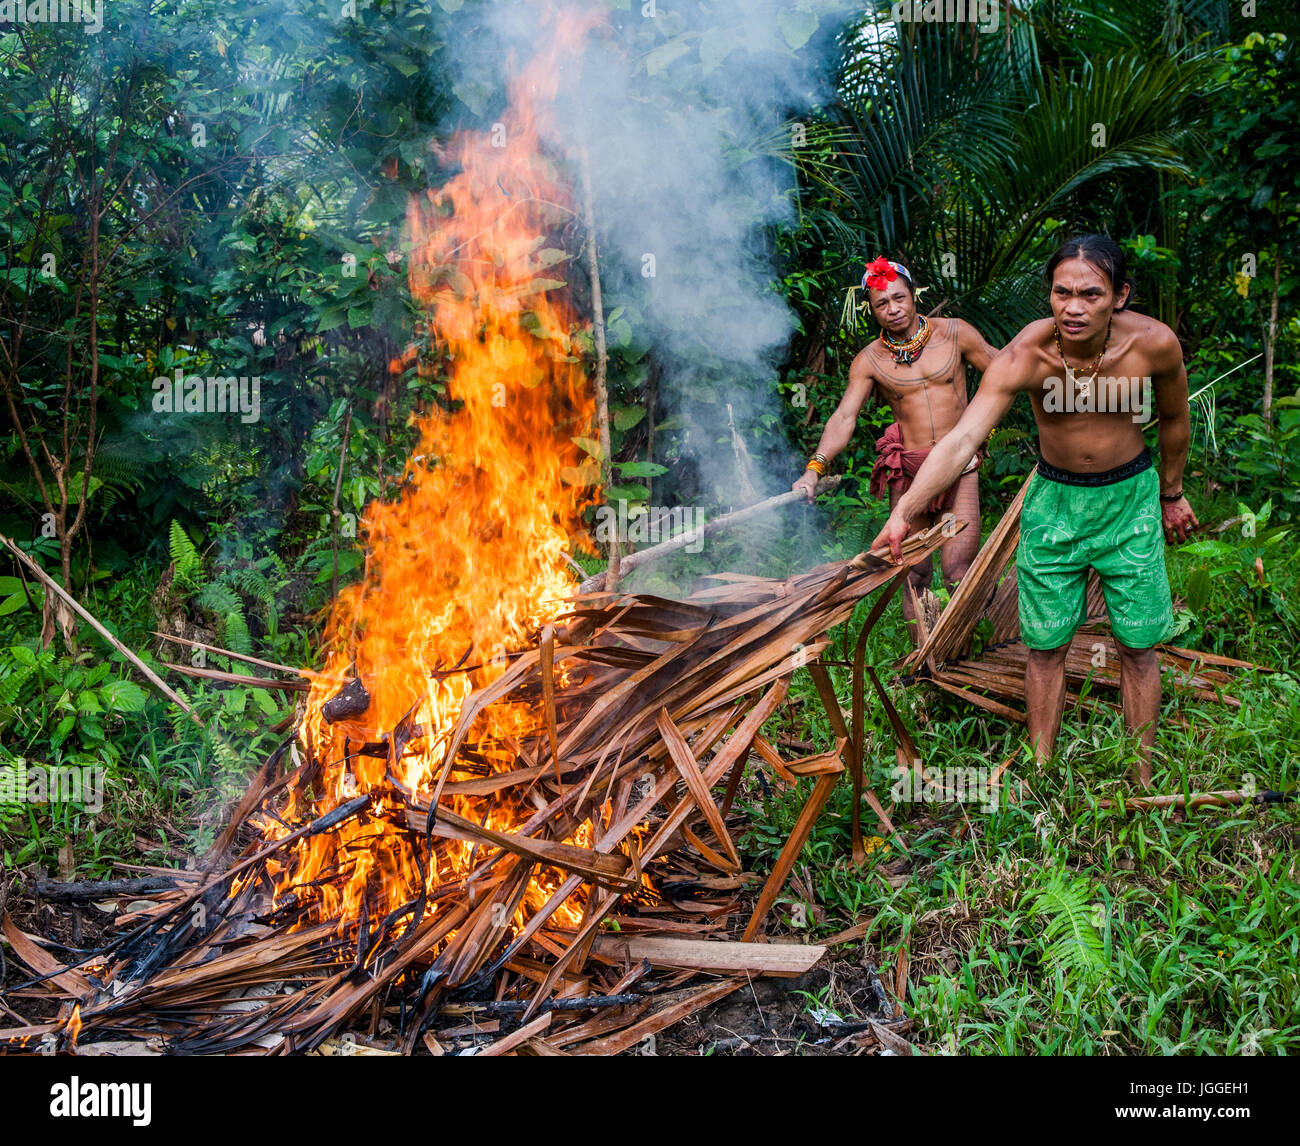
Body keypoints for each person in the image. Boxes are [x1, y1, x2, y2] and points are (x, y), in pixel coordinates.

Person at [871, 235, 1199, 785]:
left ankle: (1139, 776)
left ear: (1120, 296)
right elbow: (961, 439)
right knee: (1044, 644)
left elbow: (1174, 420)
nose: (1073, 307)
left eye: (1090, 294)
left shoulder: (1155, 345)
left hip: (1131, 501)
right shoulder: (1028, 353)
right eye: (1061, 292)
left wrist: (1171, 493)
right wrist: (905, 509)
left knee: (1139, 645)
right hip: (1053, 503)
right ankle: (1042, 771)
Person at [793, 257, 999, 640]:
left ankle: (961, 653)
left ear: (914, 294)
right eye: (882, 304)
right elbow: (844, 417)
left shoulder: (955, 333)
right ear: (872, 310)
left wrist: (984, 428)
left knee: (957, 569)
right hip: (908, 471)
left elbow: (1003, 370)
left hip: (958, 467)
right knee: (913, 570)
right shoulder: (870, 359)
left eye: (899, 298)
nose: (893, 309)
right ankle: (919, 659)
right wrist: (814, 468)